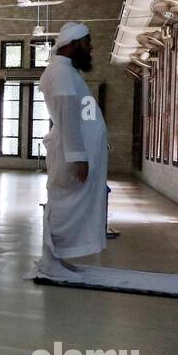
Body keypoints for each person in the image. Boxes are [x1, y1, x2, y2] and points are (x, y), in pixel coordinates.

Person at [37, 22, 108, 277]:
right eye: (87, 42)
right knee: (64, 206)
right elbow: (67, 116)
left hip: (74, 151)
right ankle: (51, 262)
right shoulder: (62, 73)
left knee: (67, 205)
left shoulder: (64, 71)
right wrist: (79, 156)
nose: (90, 48)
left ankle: (58, 257)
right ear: (75, 43)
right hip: (72, 153)